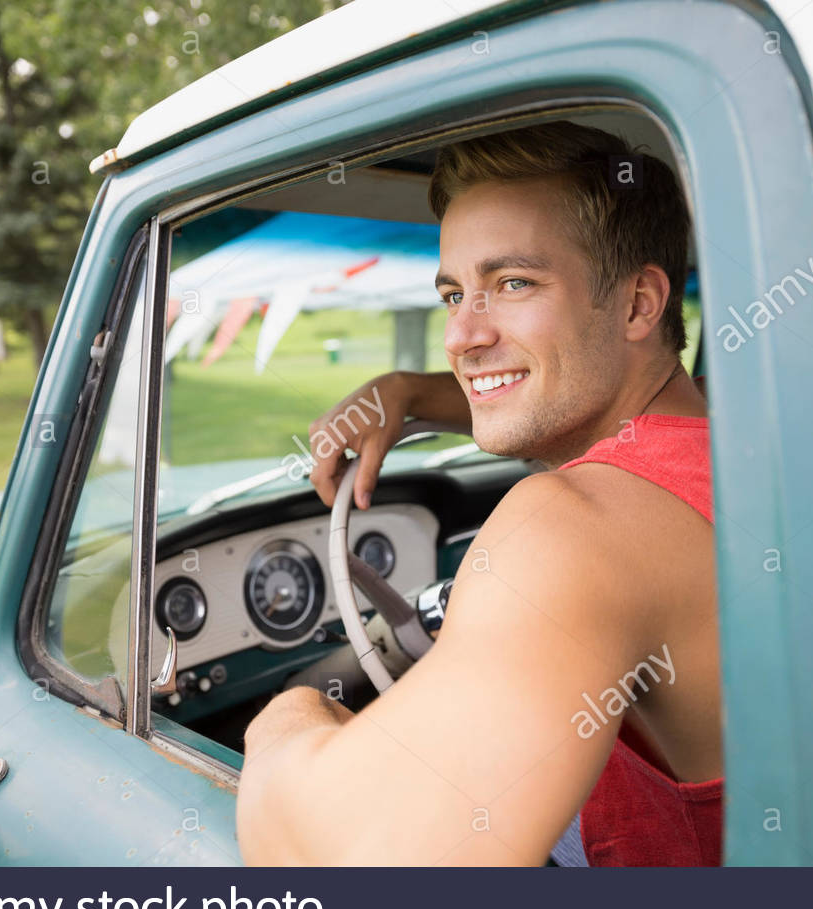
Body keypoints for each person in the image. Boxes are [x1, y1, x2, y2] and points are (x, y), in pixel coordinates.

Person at [235, 121, 721, 865]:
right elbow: (570, 385)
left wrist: (290, 715)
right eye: (454, 293)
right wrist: (412, 394)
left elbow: (361, 869)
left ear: (637, 303)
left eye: (513, 283)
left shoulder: (576, 526)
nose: (461, 335)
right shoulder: (740, 438)